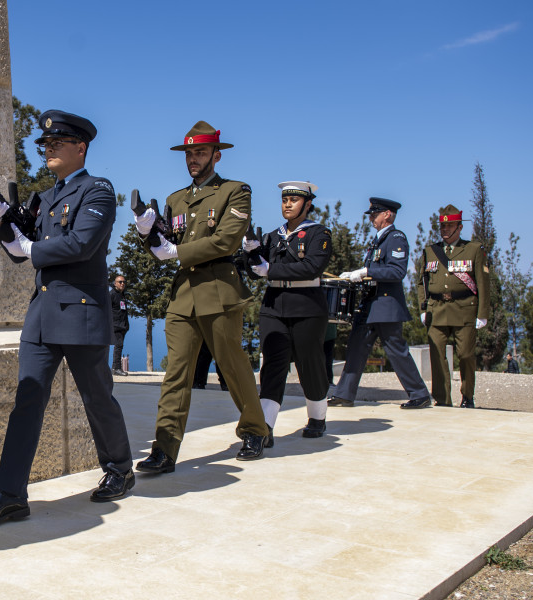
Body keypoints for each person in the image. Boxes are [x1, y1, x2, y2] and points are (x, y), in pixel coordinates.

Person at [0, 110, 135, 528]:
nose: (48, 150)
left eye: (57, 144)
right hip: (41, 315)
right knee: (27, 402)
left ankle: (119, 469)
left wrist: (28, 246)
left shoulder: (97, 191)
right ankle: (9, 496)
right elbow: (18, 251)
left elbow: (81, 244)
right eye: (45, 145)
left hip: (81, 314)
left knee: (97, 398)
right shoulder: (44, 198)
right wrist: (2, 221)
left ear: (81, 147)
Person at [134, 121, 271, 474]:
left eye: (200, 152)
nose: (193, 159)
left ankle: (255, 430)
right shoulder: (175, 200)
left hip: (219, 291)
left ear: (216, 155)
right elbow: (163, 250)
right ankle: (164, 450)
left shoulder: (235, 191)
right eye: (189, 153)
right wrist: (148, 236)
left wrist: (175, 253)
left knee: (233, 365)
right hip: (183, 296)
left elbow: (225, 241)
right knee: (176, 374)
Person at [325, 198, 434, 409]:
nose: (372, 218)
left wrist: (366, 272)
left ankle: (419, 394)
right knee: (356, 348)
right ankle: (344, 394)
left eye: (376, 213)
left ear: (388, 215)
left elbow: (396, 272)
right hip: (370, 304)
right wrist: (354, 275)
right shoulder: (377, 240)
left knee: (396, 351)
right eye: (371, 214)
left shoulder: (396, 238)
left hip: (385, 305)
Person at [248, 181, 332, 437]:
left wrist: (270, 269)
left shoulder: (320, 234)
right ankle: (266, 426)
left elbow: (312, 268)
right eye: (285, 199)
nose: (287, 204)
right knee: (273, 364)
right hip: (275, 304)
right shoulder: (273, 236)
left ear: (307, 205)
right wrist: (249, 253)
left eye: (294, 200)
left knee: (310, 363)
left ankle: (317, 417)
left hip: (307, 305)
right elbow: (254, 273)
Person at [417, 204, 491, 409]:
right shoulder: (431, 251)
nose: (445, 230)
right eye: (442, 227)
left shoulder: (474, 249)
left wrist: (482, 313)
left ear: (459, 227)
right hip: (437, 309)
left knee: (466, 355)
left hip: (464, 308)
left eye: (449, 227)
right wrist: (423, 309)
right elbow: (421, 282)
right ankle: (443, 399)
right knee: (436, 355)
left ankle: (467, 396)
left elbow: (484, 283)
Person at [111, 274, 130, 376]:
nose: (122, 284)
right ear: (115, 284)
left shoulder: (122, 295)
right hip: (116, 325)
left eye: (124, 282)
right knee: (118, 346)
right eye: (120, 282)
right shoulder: (112, 294)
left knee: (119, 346)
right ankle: (116, 368)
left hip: (123, 326)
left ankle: (116, 368)